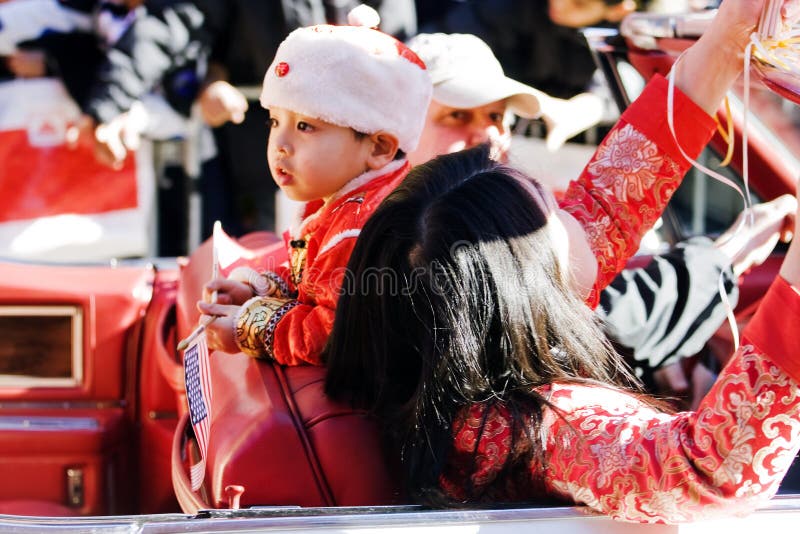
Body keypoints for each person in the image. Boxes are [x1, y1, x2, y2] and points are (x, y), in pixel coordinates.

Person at [323, 0, 800, 521]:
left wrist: (727, 40)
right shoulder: (536, 426)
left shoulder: (452, 359)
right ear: (529, 283)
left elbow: (609, 199)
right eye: (554, 215)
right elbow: (709, 470)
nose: (576, 212)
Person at [405, 30, 797, 399]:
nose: (489, 135)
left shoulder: (490, 224)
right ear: (395, 134)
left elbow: (607, 220)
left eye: (496, 117)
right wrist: (729, 257)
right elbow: (607, 311)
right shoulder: (407, 251)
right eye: (457, 116)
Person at [195, 6, 432, 366]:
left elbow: (334, 333)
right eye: (274, 121)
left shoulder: (363, 230)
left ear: (379, 147)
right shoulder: (338, 197)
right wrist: (257, 290)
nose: (280, 145)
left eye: (305, 126)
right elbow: (312, 276)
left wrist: (248, 327)